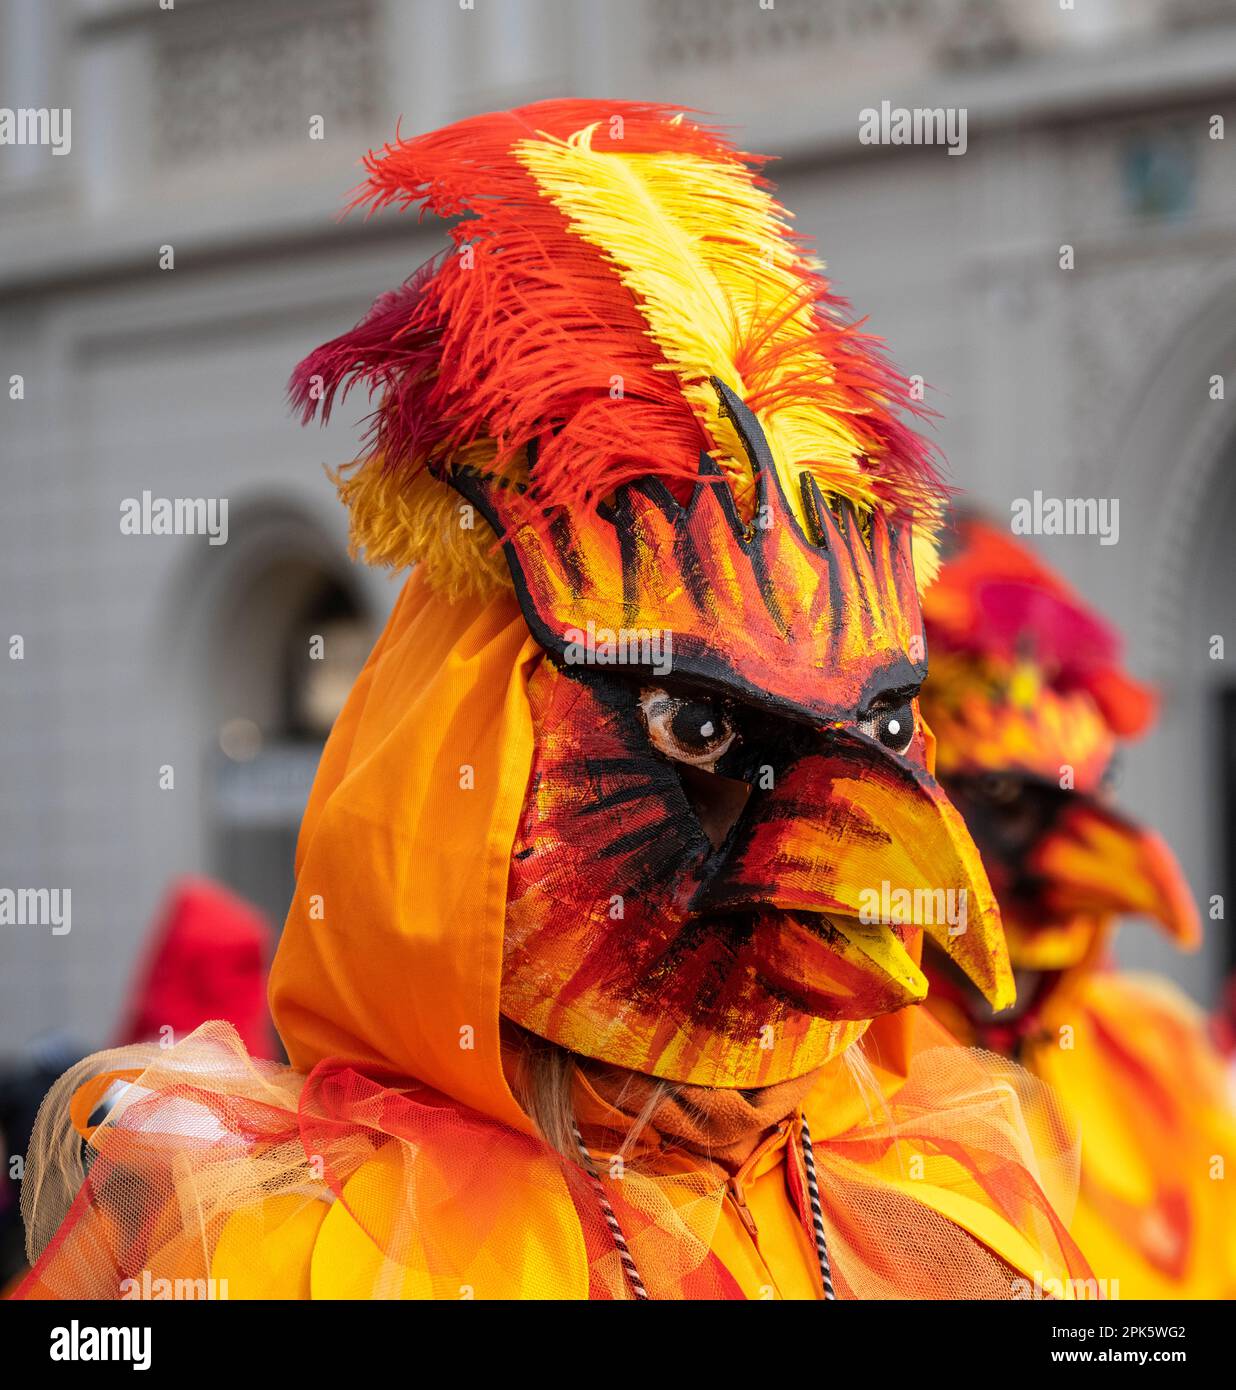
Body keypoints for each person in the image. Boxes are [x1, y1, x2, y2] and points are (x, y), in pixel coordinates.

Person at [16, 101, 1091, 1301]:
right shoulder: (277, 1262)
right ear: (461, 766)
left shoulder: (935, 1228)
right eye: (701, 733)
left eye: (884, 732)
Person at [920, 513, 1236, 1298]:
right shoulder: (834, 1074)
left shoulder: (1157, 1049)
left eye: (1087, 797)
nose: (1090, 837)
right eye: (999, 797)